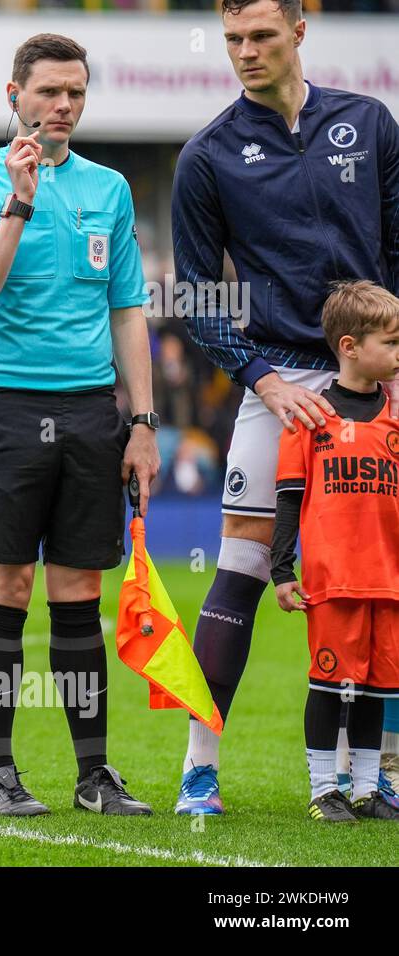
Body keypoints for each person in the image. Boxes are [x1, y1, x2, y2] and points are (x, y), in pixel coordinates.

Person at [170, 0, 399, 814]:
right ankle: (200, 766)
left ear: (300, 32)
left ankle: (379, 775)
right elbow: (197, 299)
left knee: (389, 575)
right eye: (232, 39)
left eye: (261, 36)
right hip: (284, 386)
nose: (245, 52)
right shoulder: (207, 156)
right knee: (243, 568)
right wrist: (262, 380)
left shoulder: (370, 123)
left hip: (383, 379)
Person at [0, 34, 159, 817]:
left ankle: (94, 776)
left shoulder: (110, 188)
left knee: (78, 592)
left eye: (76, 92)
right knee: (7, 584)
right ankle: (0, 776)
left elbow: (127, 308)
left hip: (91, 411)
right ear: (14, 96)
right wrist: (19, 202)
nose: (63, 105)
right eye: (49, 93)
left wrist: (142, 419)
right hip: (4, 405)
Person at [271, 280, 399, 822]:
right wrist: (281, 568)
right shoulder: (310, 417)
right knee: (329, 686)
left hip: (388, 583)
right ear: (350, 346)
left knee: (375, 689)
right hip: (334, 580)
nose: (398, 353)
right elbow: (288, 496)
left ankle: (369, 791)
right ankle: (325, 789)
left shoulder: (395, 420)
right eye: (390, 343)